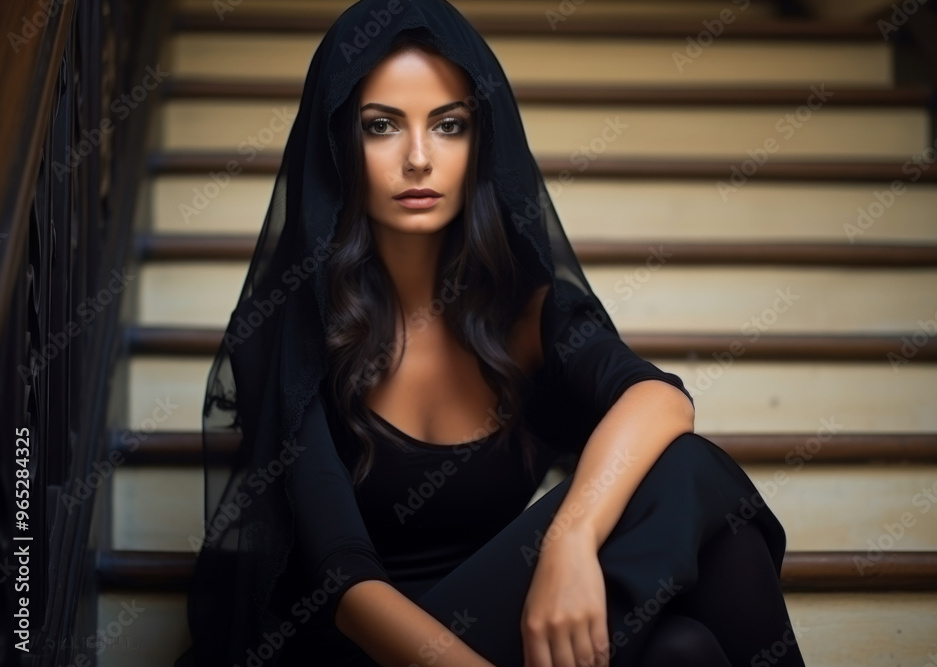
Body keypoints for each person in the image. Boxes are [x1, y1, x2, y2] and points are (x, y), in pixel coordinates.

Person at [175, 1, 806, 666]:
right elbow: (345, 585)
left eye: (449, 125)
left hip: (503, 627)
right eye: (381, 126)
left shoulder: (528, 314)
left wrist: (569, 542)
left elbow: (661, 401)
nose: (418, 158)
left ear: (481, 143)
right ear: (338, 146)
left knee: (686, 648)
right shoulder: (291, 328)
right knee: (691, 470)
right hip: (363, 650)